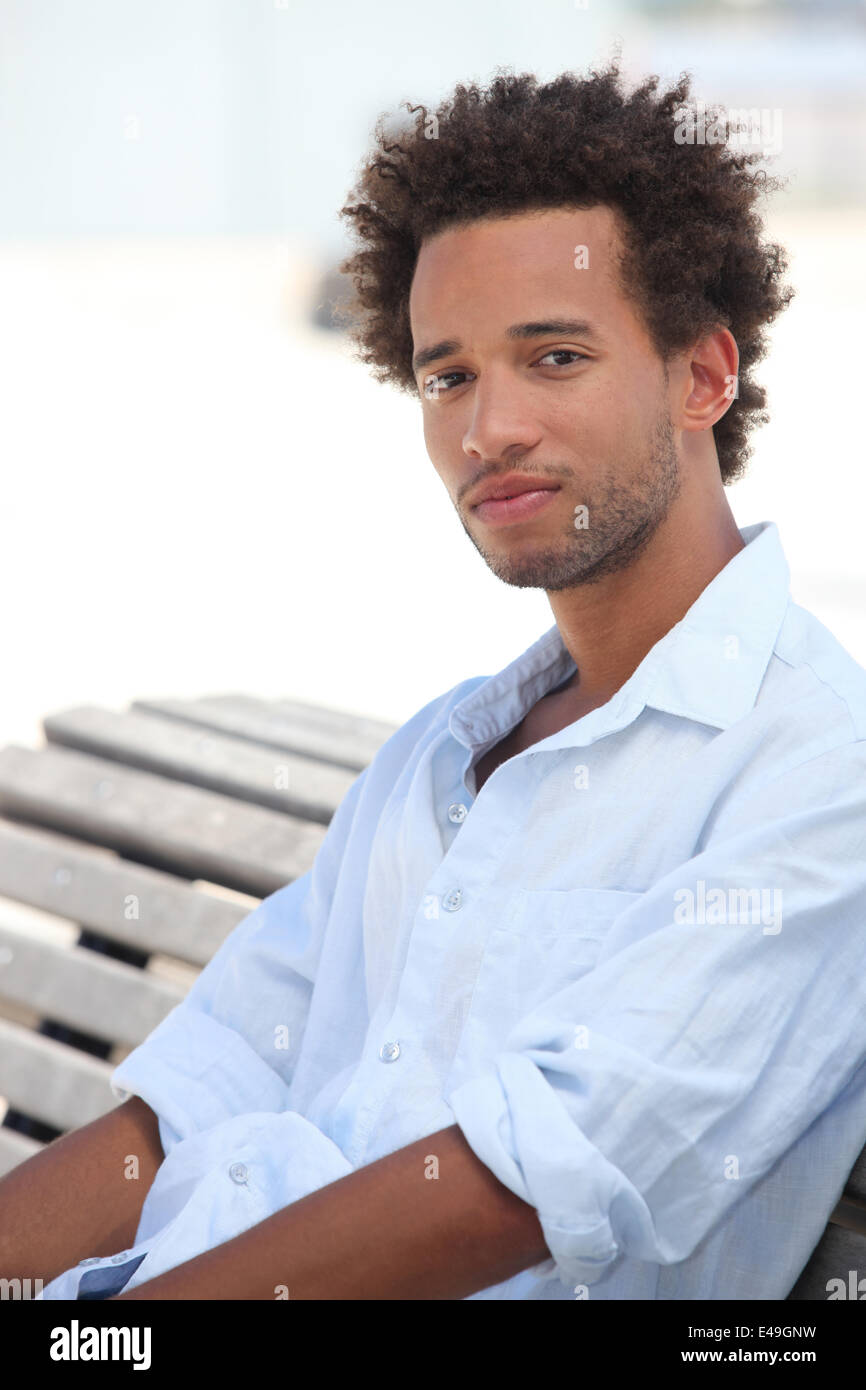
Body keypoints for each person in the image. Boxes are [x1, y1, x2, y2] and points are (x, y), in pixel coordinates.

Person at [5, 60, 866, 1301]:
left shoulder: (811, 776)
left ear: (701, 377)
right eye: (447, 375)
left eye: (554, 356)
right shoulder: (443, 757)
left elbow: (517, 1186)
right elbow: (208, 1092)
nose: (486, 429)